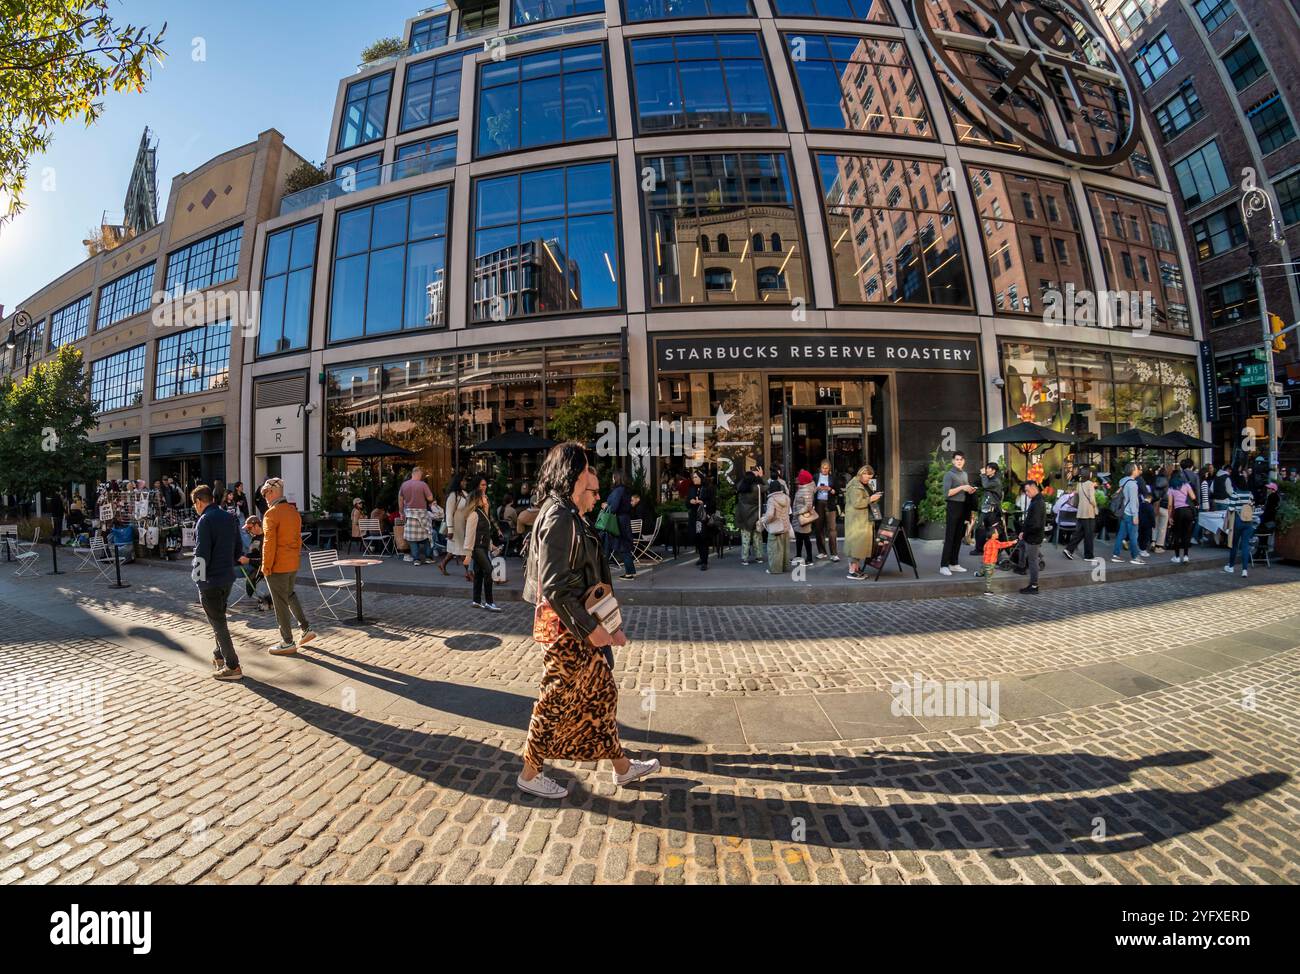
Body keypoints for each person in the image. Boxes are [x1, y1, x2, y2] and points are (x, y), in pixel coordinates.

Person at [518, 442, 659, 800]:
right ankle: (530, 772)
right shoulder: (560, 516)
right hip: (567, 632)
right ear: (575, 475)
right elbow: (556, 587)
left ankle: (623, 769)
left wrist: (608, 626)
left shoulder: (564, 513)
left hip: (574, 628)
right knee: (554, 700)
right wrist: (593, 629)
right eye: (588, 473)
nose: (596, 494)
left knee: (600, 696)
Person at [191, 485, 243, 681]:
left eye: (194, 505)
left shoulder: (204, 520)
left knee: (218, 622)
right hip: (227, 577)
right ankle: (218, 655)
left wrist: (198, 578)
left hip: (210, 578)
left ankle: (233, 665)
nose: (195, 508)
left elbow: (201, 553)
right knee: (218, 617)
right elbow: (238, 548)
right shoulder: (229, 517)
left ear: (199, 502)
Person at [261, 478, 316, 655]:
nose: (264, 497)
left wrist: (265, 566)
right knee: (290, 595)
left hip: (278, 564)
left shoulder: (271, 514)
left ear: (273, 492)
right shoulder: (293, 511)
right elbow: (298, 540)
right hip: (292, 562)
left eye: (266, 493)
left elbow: (269, 543)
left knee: (280, 603)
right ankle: (305, 629)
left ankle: (287, 641)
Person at [939, 452, 976, 575]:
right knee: (950, 537)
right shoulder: (949, 475)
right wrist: (962, 488)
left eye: (961, 459)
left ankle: (954, 563)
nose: (959, 461)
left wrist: (970, 489)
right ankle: (943, 565)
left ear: (964, 461)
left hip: (963, 507)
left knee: (958, 537)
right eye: (957, 459)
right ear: (953, 461)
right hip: (953, 506)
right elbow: (946, 493)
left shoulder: (964, 474)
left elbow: (965, 491)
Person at [463, 492, 502, 611]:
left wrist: (491, 546)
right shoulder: (474, 514)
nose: (486, 497)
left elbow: (485, 533)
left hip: (483, 547)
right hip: (477, 548)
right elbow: (470, 535)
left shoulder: (483, 513)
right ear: (478, 499)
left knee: (479, 573)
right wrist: (468, 554)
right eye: (484, 496)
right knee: (489, 570)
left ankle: (476, 600)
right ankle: (489, 602)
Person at [844, 464, 882, 579]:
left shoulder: (862, 484)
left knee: (859, 546)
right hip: (857, 520)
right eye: (868, 477)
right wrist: (871, 498)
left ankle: (856, 569)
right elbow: (857, 503)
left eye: (871, 478)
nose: (869, 479)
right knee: (856, 546)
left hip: (862, 519)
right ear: (862, 473)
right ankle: (852, 571)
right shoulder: (855, 485)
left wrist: (874, 496)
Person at [399, 466, 436, 566]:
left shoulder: (404, 485)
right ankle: (428, 557)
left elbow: (400, 500)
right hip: (421, 514)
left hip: (409, 514)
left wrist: (401, 513)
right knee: (428, 536)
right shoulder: (423, 485)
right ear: (419, 474)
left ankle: (416, 559)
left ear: (412, 473)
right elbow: (430, 498)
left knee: (412, 539)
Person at [602, 469, 636, 580]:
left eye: (613, 477)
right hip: (623, 520)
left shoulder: (618, 490)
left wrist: (606, 506)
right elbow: (626, 506)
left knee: (607, 546)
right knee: (623, 546)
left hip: (616, 522)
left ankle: (602, 573)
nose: (612, 479)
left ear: (617, 478)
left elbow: (614, 507)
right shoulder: (625, 490)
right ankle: (629, 572)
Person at [1110, 462, 1145, 565]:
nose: (1137, 470)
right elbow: (1133, 502)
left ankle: (1116, 555)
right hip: (1130, 513)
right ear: (1132, 471)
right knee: (1134, 536)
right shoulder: (1133, 485)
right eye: (1135, 468)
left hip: (1125, 512)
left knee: (1121, 535)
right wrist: (1135, 516)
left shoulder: (1124, 482)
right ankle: (1135, 557)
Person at [1063, 467, 1097, 561]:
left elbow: (1076, 496)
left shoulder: (1079, 484)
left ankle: (1069, 549)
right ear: (1088, 474)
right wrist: (1095, 506)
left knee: (1080, 533)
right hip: (1089, 512)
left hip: (1081, 512)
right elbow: (1092, 499)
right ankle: (1088, 555)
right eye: (1090, 473)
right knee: (1089, 535)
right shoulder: (1090, 484)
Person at [761, 475, 793, 575]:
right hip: (785, 526)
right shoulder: (787, 498)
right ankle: (785, 567)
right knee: (785, 549)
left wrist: (764, 520)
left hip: (775, 528)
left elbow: (770, 515)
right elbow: (788, 511)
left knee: (774, 550)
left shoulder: (771, 499)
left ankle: (775, 569)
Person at [1018, 480, 1045, 594]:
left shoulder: (1038, 502)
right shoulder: (1035, 501)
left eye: (1028, 491)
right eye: (1025, 491)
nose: (1027, 494)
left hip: (1033, 537)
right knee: (1027, 554)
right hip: (1031, 536)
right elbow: (1031, 521)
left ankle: (1034, 586)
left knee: (1033, 561)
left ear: (1034, 488)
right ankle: (1021, 567)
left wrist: (1025, 533)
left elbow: (1036, 524)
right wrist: (1024, 531)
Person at [735, 463, 765, 566]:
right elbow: (767, 486)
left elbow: (740, 483)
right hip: (755, 516)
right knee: (757, 538)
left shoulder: (741, 487)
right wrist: (760, 477)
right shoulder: (757, 488)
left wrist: (749, 476)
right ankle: (759, 557)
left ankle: (744, 558)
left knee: (745, 538)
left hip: (743, 516)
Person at [438, 476, 468, 575]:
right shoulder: (452, 496)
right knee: (463, 549)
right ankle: (469, 572)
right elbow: (449, 513)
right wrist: (450, 529)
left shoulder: (465, 494)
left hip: (463, 525)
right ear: (458, 482)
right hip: (455, 526)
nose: (465, 482)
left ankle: (442, 564)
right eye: (463, 480)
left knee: (454, 548)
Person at [239, 515, 271, 610]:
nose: (248, 531)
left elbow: (265, 560)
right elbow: (251, 553)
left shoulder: (265, 538)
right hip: (251, 565)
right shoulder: (255, 538)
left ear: (257, 525)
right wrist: (243, 556)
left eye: (249, 528)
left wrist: (248, 560)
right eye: (247, 529)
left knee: (230, 572)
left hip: (260, 569)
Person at [972, 462, 1003, 556]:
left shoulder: (996, 481)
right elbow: (980, 484)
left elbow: (985, 485)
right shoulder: (989, 479)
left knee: (988, 529)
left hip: (992, 509)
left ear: (993, 471)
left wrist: (983, 475)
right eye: (986, 468)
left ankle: (989, 550)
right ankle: (982, 549)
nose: (986, 470)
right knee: (983, 529)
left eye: (988, 468)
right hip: (986, 508)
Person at [687, 469, 716, 570]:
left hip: (703, 517)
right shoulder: (692, 488)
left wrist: (702, 503)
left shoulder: (708, 488)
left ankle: (705, 561)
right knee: (696, 538)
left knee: (703, 538)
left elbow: (713, 503)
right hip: (694, 517)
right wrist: (690, 501)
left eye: (696, 477)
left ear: (701, 477)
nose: (694, 479)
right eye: (693, 477)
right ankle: (701, 557)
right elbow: (687, 503)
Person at [1166, 472, 1196, 565]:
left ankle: (1177, 556)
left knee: (1176, 534)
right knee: (1187, 534)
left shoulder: (1171, 488)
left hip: (1178, 512)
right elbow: (1193, 497)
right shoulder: (1186, 485)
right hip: (1188, 511)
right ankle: (1186, 556)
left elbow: (1170, 505)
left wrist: (1170, 517)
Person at [813, 459, 840, 562]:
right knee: (819, 528)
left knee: (832, 529)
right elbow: (811, 490)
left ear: (829, 469)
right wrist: (817, 489)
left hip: (830, 504)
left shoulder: (833, 478)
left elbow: (837, 491)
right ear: (820, 468)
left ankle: (834, 554)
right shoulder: (815, 477)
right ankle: (822, 552)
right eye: (823, 468)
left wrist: (830, 489)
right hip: (819, 503)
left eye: (826, 468)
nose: (824, 470)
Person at [1224, 497, 1258, 578]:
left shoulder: (1235, 494)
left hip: (1238, 521)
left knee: (1234, 544)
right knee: (1245, 546)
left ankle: (1231, 566)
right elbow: (1253, 506)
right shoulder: (1250, 494)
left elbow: (1231, 508)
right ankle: (1244, 570)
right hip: (1248, 521)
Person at [980, 522, 1016, 595]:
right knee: (989, 577)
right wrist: (1013, 542)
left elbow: (984, 551)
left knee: (984, 568)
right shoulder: (995, 543)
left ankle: (979, 573)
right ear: (993, 535)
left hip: (985, 561)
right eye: (996, 533)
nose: (998, 534)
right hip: (991, 563)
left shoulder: (987, 543)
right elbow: (1004, 544)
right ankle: (987, 590)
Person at [791, 469, 817, 566]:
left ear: (803, 480)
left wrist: (797, 512)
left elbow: (808, 506)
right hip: (799, 518)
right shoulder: (802, 488)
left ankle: (809, 558)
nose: (797, 478)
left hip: (803, 518)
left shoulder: (806, 490)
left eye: (799, 477)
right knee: (799, 538)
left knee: (805, 538)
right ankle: (798, 556)